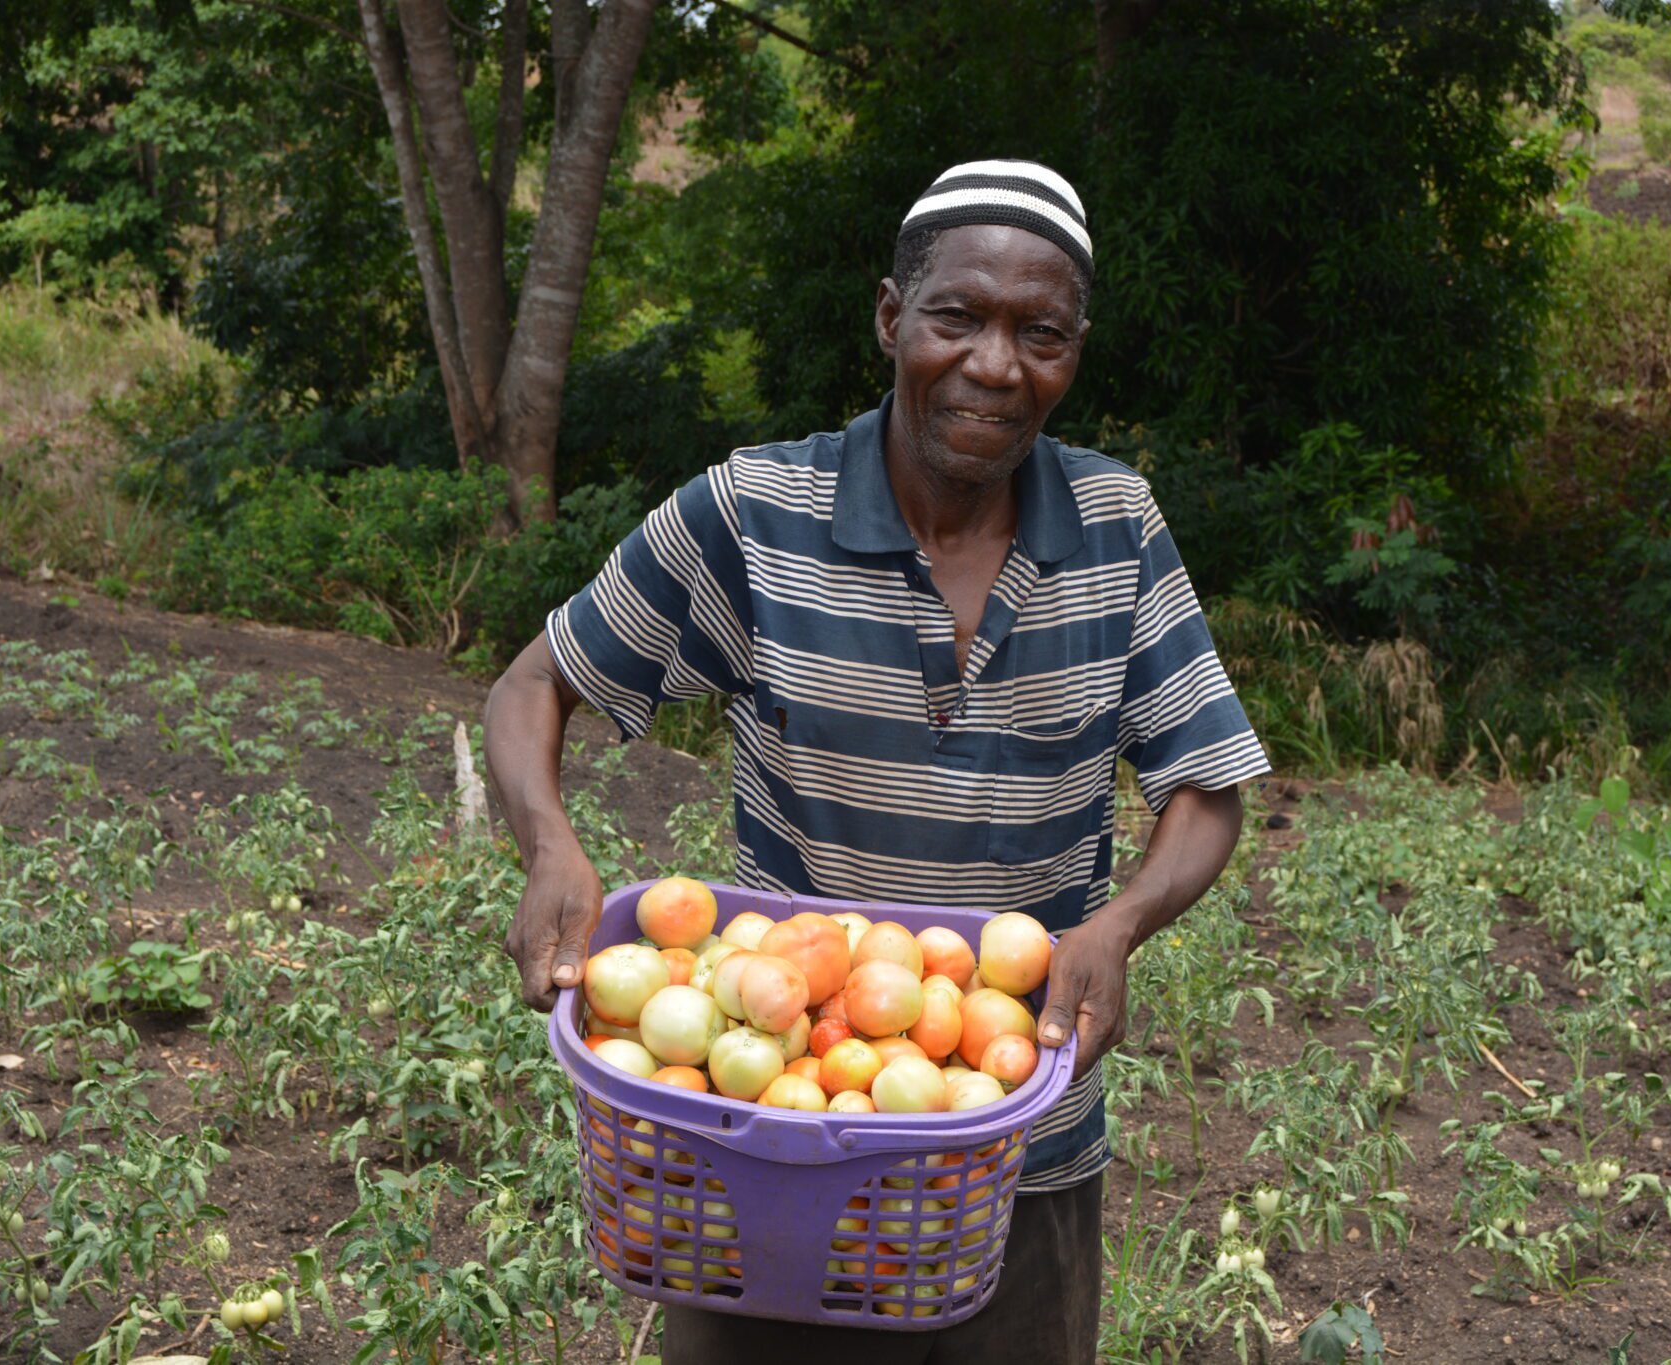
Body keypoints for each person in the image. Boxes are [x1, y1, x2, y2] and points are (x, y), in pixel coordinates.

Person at [482, 159, 1269, 1364]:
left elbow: (1205, 787)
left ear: (1073, 351)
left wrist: (1118, 927)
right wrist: (550, 844)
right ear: (892, 318)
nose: (995, 365)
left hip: (1013, 1132)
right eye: (956, 317)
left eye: (1038, 334)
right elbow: (537, 683)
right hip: (775, 1132)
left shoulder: (1118, 528)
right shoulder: (755, 514)